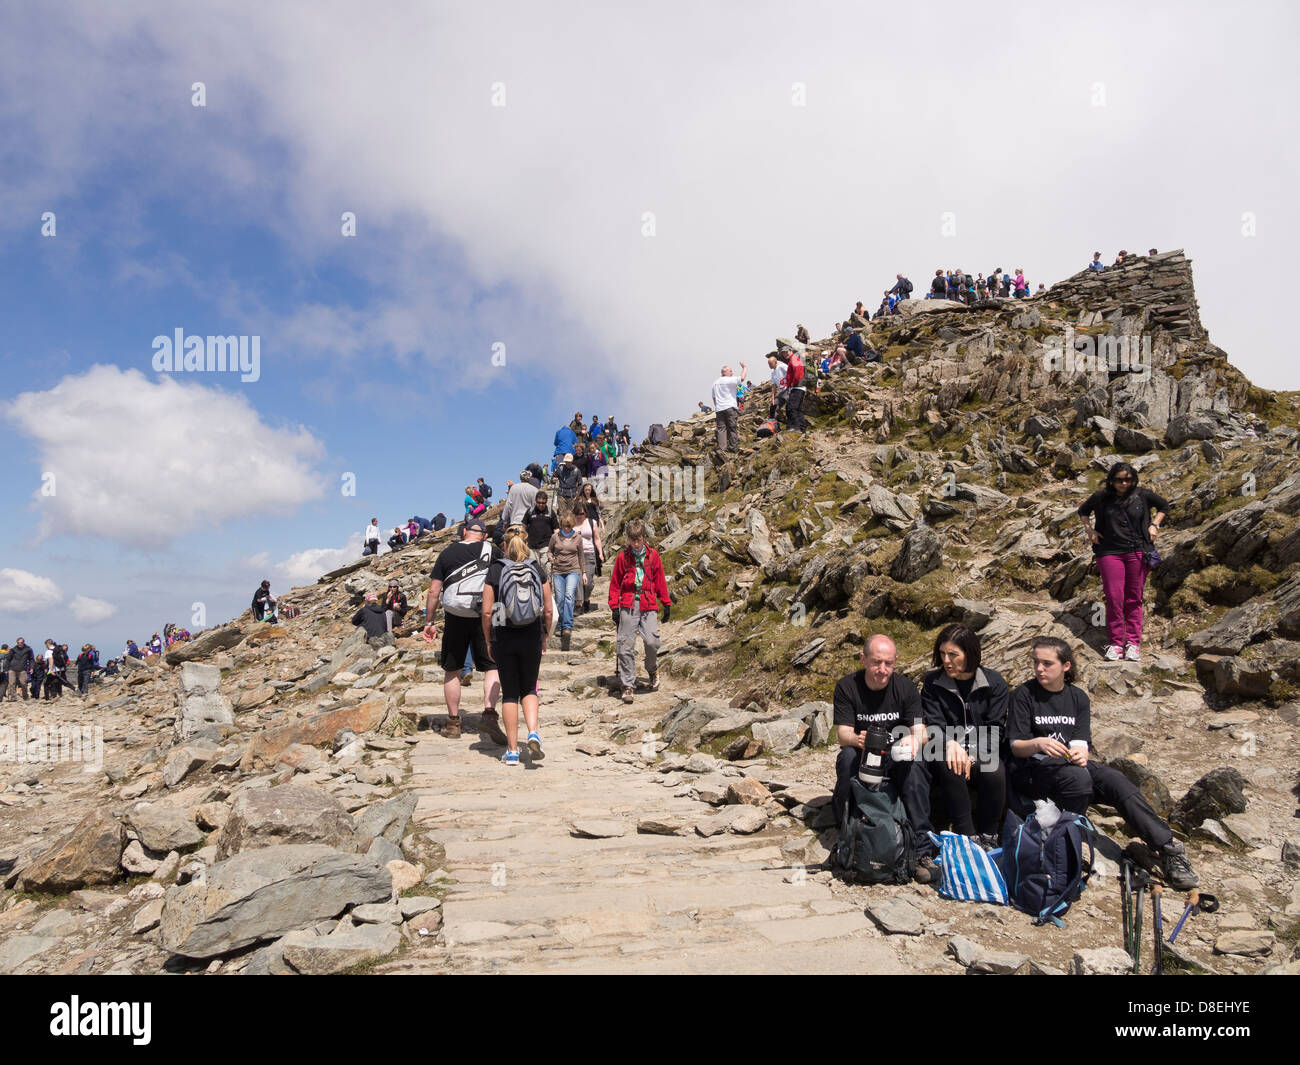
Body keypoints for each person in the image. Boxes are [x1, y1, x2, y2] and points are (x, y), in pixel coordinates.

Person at [1008, 638, 1197, 889]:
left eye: (1047, 663)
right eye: (1036, 663)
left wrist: (1080, 754)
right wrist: (1039, 743)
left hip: (1069, 768)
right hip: (1033, 771)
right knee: (1079, 779)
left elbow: (1080, 743)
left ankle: (1168, 848)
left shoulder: (1078, 698)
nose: (1039, 669)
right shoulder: (1024, 694)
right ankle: (1064, 851)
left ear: (1066, 666)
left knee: (1115, 780)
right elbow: (1016, 747)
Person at [833, 635, 939, 883]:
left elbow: (921, 731)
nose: (882, 670)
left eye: (888, 663)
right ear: (863, 659)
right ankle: (845, 834)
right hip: (862, 753)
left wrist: (913, 740)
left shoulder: (905, 687)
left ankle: (921, 849)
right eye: (876, 662)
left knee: (916, 765)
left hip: (895, 752)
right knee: (846, 758)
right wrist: (859, 739)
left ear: (895, 662)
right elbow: (842, 734)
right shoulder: (847, 686)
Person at [920, 624, 1009, 848]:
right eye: (942, 654)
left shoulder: (994, 683)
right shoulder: (933, 683)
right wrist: (950, 744)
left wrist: (972, 756)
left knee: (994, 769)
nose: (946, 661)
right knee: (951, 764)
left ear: (969, 654)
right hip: (944, 749)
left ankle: (989, 835)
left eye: (953, 655)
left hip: (980, 751)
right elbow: (933, 724)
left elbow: (995, 728)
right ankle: (966, 837)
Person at [422, 517, 506, 743]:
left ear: (463, 533)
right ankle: (489, 715)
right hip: (486, 615)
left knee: (453, 670)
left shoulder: (447, 553)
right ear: (484, 536)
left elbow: (433, 592)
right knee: (492, 667)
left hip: (455, 616)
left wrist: (429, 622)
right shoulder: (493, 551)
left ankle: (453, 723)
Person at [1078, 461, 1168, 661]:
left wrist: (1155, 525)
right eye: (1119, 480)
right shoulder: (1101, 497)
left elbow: (1164, 505)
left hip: (1137, 551)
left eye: (1128, 479)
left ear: (1133, 479)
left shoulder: (1143, 495)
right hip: (1109, 552)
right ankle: (1116, 643)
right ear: (1111, 480)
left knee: (1134, 598)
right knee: (1114, 596)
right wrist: (1089, 530)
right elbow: (1083, 510)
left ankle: (1133, 643)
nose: (1124, 483)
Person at [482, 531, 554, 766]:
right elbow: (548, 608)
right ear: (526, 543)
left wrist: (489, 639)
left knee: (510, 693)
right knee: (530, 688)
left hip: (504, 631)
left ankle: (512, 751)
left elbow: (487, 611)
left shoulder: (496, 569)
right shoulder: (535, 567)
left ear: (504, 545)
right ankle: (532, 732)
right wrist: (544, 635)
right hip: (531, 631)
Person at [607, 519, 671, 704]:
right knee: (625, 644)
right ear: (628, 539)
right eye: (633, 539)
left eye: (639, 539)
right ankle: (628, 684)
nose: (636, 543)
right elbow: (615, 584)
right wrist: (614, 607)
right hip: (628, 603)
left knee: (651, 642)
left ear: (644, 537)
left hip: (648, 602)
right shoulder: (622, 558)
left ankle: (652, 669)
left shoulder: (653, 556)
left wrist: (666, 602)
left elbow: (659, 580)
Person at [548, 511, 589, 650]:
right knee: (559, 599)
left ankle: (567, 626)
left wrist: (584, 573)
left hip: (573, 570)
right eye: (564, 526)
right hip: (558, 571)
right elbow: (549, 550)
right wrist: (550, 557)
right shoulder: (555, 537)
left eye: (568, 526)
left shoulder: (577, 537)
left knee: (569, 596)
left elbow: (581, 556)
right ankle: (559, 625)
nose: (566, 528)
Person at [573, 500, 604, 614]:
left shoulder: (592, 522)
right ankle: (579, 604)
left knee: (589, 582)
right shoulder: (572, 523)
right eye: (577, 514)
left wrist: (600, 553)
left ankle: (586, 600)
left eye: (582, 514)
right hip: (575, 555)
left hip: (589, 553)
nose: (579, 516)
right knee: (578, 580)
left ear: (585, 513)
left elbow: (596, 538)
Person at [525, 490, 559, 577]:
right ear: (536, 501)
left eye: (543, 503)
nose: (541, 504)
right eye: (539, 502)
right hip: (532, 546)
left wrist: (557, 543)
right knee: (533, 568)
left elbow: (556, 530)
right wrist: (524, 540)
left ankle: (548, 587)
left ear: (546, 502)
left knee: (547, 567)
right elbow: (523, 526)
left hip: (546, 545)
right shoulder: (530, 511)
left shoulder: (551, 513)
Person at [782, 348, 808, 433]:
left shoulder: (793, 359)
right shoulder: (794, 359)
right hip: (801, 387)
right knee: (798, 409)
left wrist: (793, 383)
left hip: (797, 387)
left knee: (791, 408)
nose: (785, 354)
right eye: (783, 353)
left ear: (791, 351)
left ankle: (796, 427)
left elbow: (797, 372)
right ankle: (802, 428)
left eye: (787, 352)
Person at [766, 352, 789, 420]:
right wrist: (772, 398)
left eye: (770, 364)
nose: (769, 365)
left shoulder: (782, 366)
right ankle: (772, 422)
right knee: (773, 406)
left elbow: (791, 372)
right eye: (768, 364)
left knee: (790, 407)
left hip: (788, 389)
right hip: (781, 392)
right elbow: (773, 386)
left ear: (775, 362)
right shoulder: (773, 373)